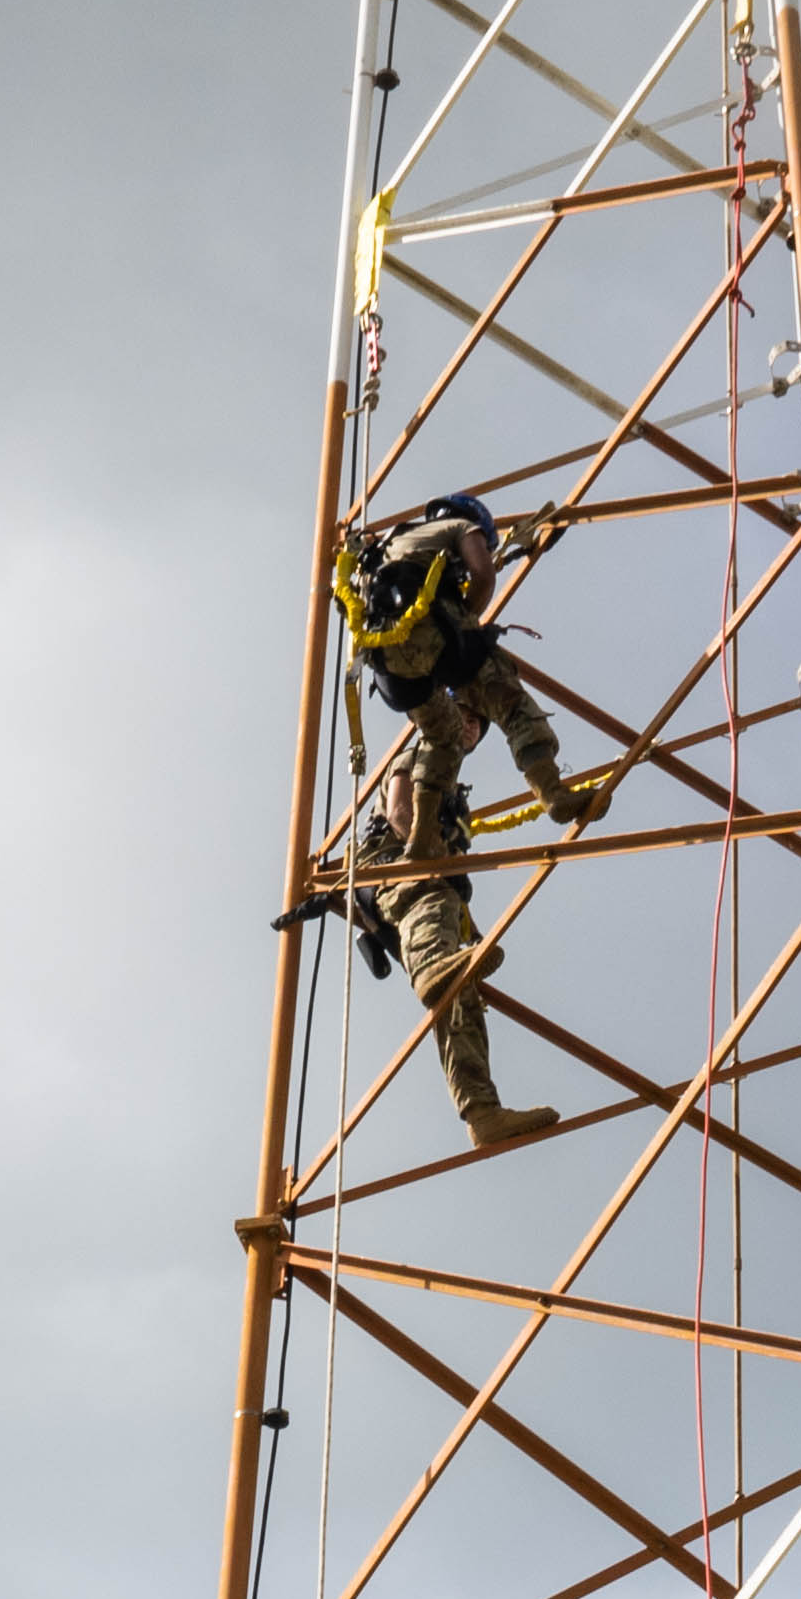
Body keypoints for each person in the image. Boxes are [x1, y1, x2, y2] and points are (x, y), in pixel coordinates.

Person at [331, 488, 630, 1150]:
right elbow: (403, 796)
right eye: (470, 722)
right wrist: (420, 848)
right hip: (408, 870)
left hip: (392, 667)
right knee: (506, 691)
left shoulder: (392, 564)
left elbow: (436, 755)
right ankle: (553, 791)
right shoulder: (458, 529)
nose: (472, 730)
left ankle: (481, 1112)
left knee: (459, 994)